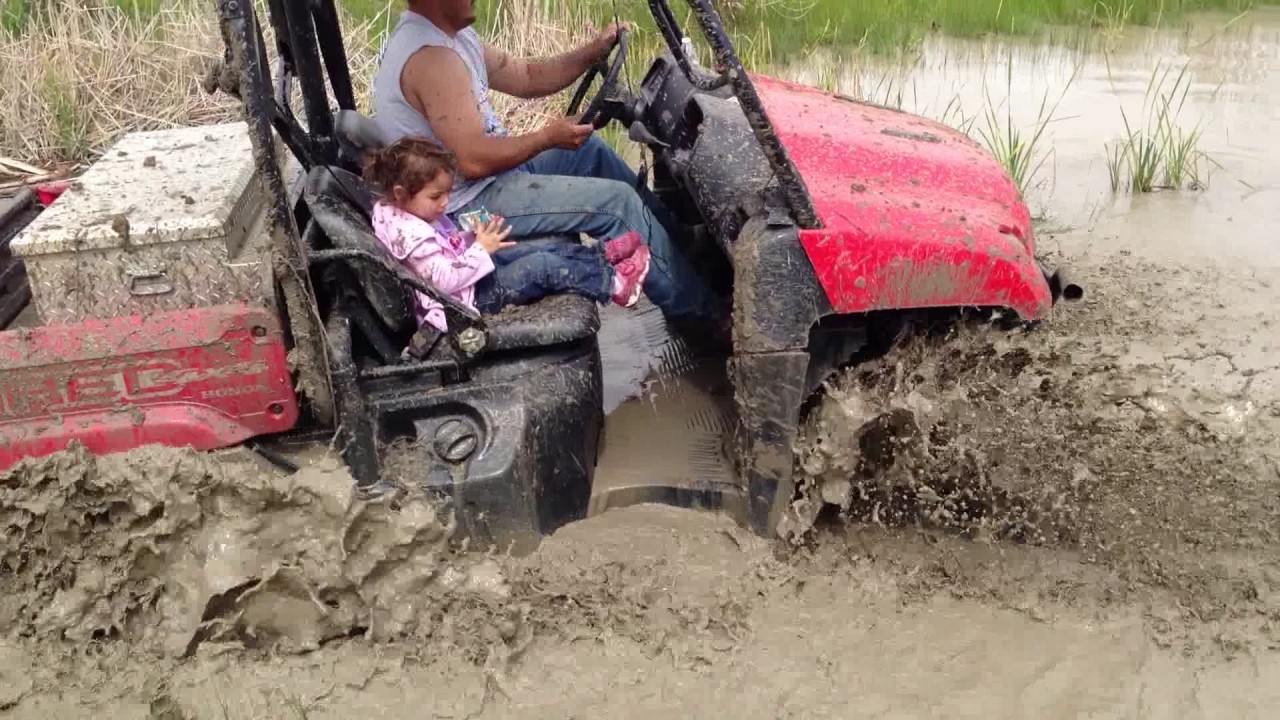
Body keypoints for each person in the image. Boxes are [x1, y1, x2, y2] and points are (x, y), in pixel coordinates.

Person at [369, 0, 724, 330]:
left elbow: (525, 76)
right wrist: (545, 138)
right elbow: (474, 161)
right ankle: (704, 315)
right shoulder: (431, 60)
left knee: (590, 152)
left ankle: (678, 247)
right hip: (464, 205)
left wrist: (594, 50)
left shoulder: (452, 38)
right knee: (615, 205)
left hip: (487, 179)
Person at [363, 135, 653, 333]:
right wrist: (480, 250)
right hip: (463, 306)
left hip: (468, 282)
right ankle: (615, 285)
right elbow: (441, 281)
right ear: (401, 193)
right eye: (436, 196)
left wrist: (473, 239)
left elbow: (444, 250)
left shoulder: (408, 211)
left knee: (527, 251)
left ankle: (600, 257)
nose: (445, 203)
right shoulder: (409, 237)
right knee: (541, 267)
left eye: (447, 194)